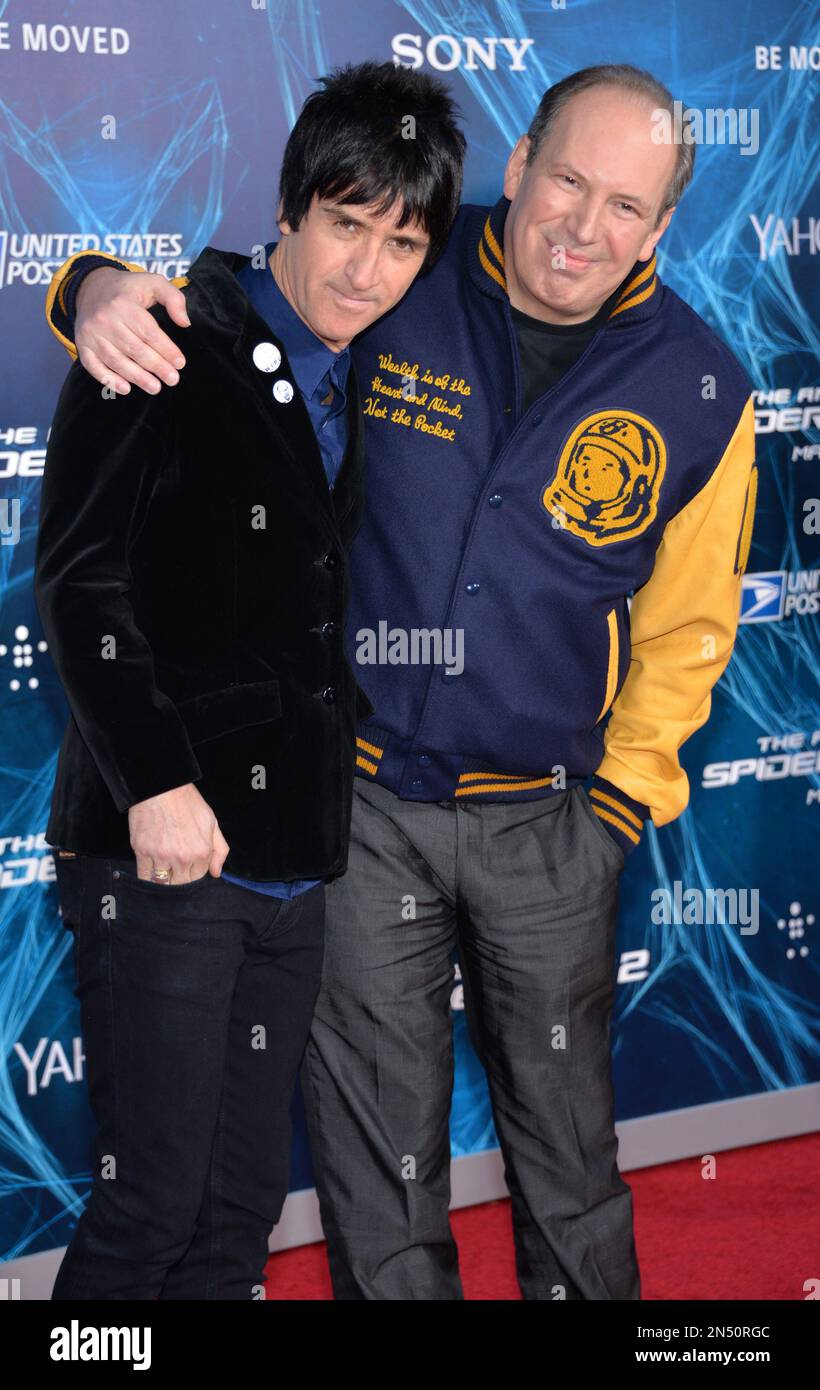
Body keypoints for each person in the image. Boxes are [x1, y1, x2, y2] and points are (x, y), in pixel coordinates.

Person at [44, 63, 758, 1300]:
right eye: (568, 181)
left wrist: (616, 808)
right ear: (519, 166)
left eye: (626, 206)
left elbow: (691, 627)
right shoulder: (410, 266)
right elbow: (222, 306)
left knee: (566, 1159)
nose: (583, 227)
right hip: (358, 820)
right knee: (371, 1173)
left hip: (547, 823)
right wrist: (89, 287)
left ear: (660, 227)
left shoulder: (701, 388)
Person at [34, 59, 465, 1300]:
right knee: (149, 1208)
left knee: (236, 1211)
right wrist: (157, 785)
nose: (365, 270)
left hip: (292, 861)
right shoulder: (163, 337)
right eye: (344, 225)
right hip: (163, 852)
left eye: (400, 243)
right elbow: (80, 586)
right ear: (287, 209)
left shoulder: (355, 365)